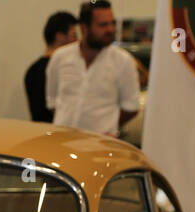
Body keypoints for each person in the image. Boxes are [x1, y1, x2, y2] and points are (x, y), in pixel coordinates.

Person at [46, 1, 140, 137]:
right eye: (103, 25)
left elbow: (131, 107)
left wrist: (106, 125)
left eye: (112, 23)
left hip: (101, 144)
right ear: (84, 28)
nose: (110, 29)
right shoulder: (60, 58)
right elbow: (53, 102)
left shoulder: (123, 61)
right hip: (62, 141)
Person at [25, 11, 79, 122]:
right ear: (59, 37)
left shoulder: (32, 70)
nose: (77, 41)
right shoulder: (63, 69)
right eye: (74, 35)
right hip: (59, 134)